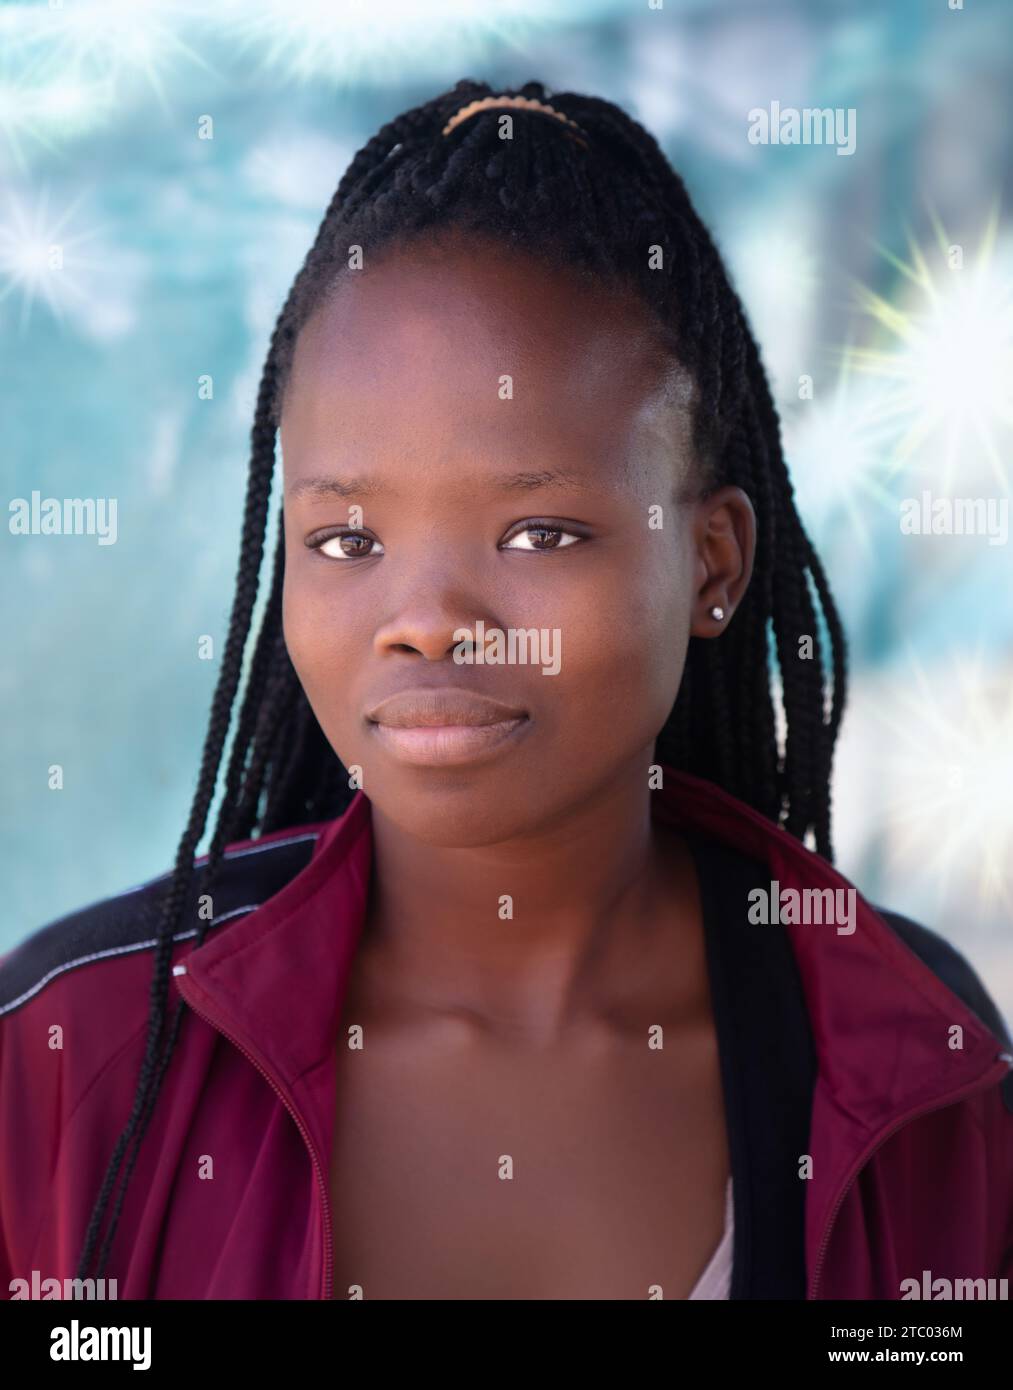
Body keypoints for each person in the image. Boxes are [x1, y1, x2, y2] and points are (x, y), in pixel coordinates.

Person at [2, 79, 1011, 1302]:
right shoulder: (71, 1055)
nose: (426, 619)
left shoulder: (917, 1068)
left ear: (712, 561)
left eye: (536, 533)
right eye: (346, 540)